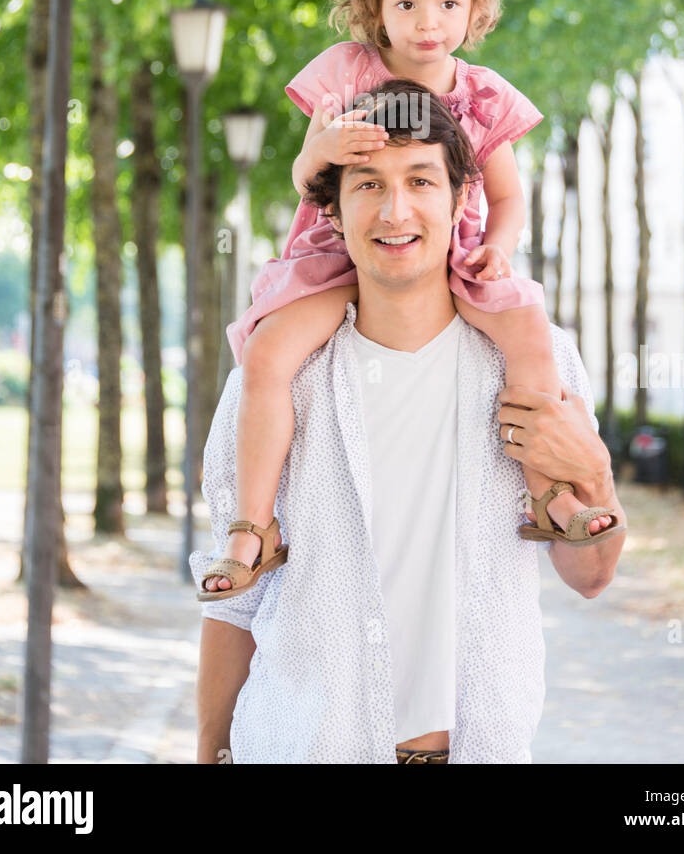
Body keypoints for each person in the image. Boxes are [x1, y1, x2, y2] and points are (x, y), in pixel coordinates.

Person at [191, 80, 627, 763]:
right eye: (367, 185)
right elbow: (232, 606)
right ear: (330, 213)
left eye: (420, 180)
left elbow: (590, 576)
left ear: (460, 201)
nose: (396, 210)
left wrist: (594, 475)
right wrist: (208, 754)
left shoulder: (536, 360)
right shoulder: (272, 377)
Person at [200, 0, 620, 597]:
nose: (428, 23)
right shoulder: (345, 76)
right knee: (270, 352)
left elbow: (509, 197)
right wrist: (325, 150)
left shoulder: (481, 98)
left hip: (448, 254)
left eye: (447, 3)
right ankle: (253, 527)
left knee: (525, 326)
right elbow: (307, 179)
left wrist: (496, 249)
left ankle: (551, 494)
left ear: (475, 8)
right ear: (375, 5)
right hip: (338, 252)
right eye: (407, 4)